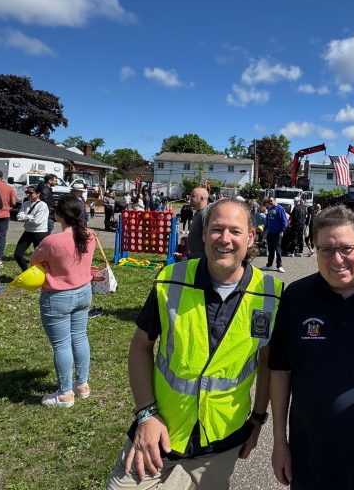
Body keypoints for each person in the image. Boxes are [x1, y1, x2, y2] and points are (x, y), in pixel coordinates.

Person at [106, 198, 283, 489]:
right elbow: (140, 346)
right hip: (160, 429)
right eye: (216, 229)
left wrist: (258, 420)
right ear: (203, 234)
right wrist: (146, 414)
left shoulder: (271, 294)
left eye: (235, 231)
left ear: (251, 236)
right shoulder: (170, 280)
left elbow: (267, 362)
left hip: (222, 439)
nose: (224, 239)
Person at [268, 205, 354, 490]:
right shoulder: (296, 297)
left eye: (346, 248)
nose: (338, 259)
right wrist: (280, 443)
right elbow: (281, 372)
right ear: (314, 250)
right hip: (311, 454)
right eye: (326, 250)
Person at [30, 196, 96, 408]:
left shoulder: (51, 241)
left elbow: (33, 263)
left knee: (61, 344)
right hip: (84, 292)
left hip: (57, 297)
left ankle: (65, 393)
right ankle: (82, 385)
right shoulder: (90, 236)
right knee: (80, 337)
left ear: (59, 215)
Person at [14, 187, 50, 271]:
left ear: (38, 194)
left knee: (40, 257)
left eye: (31, 193)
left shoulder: (42, 205)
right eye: (27, 192)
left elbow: (37, 221)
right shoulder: (26, 203)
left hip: (40, 232)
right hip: (28, 231)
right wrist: (30, 217)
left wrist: (25, 217)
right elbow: (18, 217)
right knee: (17, 254)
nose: (28, 194)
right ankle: (25, 270)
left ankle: (41, 275)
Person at [0, 169, 17, 265]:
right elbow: (14, 202)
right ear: (2, 177)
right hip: (4, 214)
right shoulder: (9, 188)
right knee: (0, 237)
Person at [264, 197, 288, 273]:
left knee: (278, 250)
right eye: (269, 201)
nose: (270, 202)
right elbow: (267, 220)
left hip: (277, 233)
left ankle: (279, 266)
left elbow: (284, 221)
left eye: (271, 201)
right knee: (270, 250)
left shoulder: (280, 209)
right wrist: (265, 229)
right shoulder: (270, 209)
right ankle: (269, 265)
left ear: (275, 200)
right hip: (270, 233)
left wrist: (282, 231)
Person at [186, 187, 209, 260]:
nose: (190, 198)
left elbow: (208, 238)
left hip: (200, 258)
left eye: (193, 196)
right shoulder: (198, 212)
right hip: (194, 255)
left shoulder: (205, 214)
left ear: (201, 199)